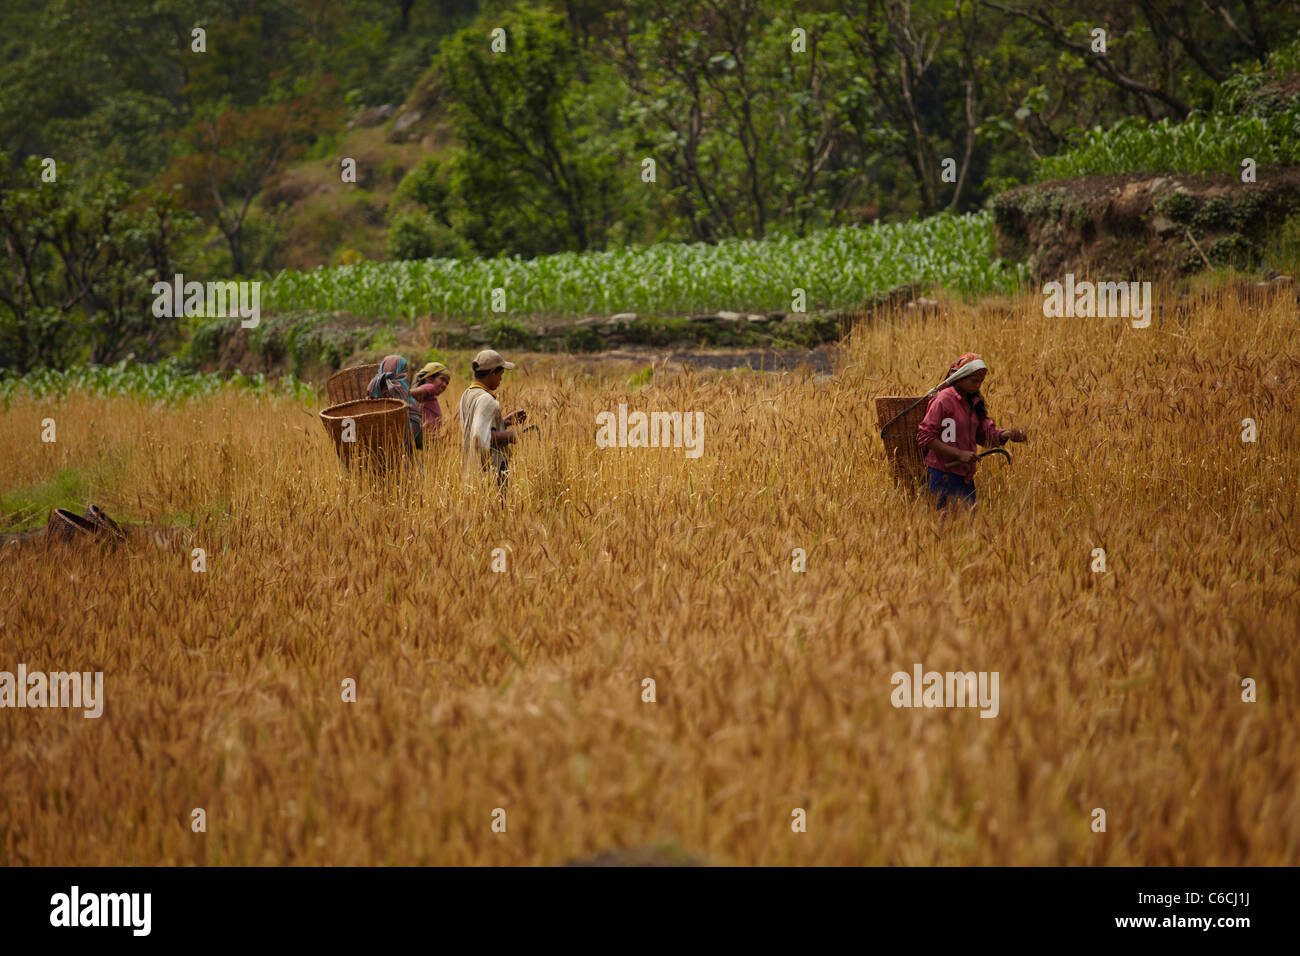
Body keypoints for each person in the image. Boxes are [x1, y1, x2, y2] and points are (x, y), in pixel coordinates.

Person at [916, 352, 1027, 509]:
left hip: (965, 476)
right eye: (974, 381)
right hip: (942, 475)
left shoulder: (973, 403)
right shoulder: (943, 400)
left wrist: (1006, 434)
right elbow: (925, 436)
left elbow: (984, 434)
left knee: (967, 528)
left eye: (980, 381)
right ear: (960, 377)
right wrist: (959, 454)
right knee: (944, 525)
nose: (978, 385)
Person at [459, 349, 528, 489]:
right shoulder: (486, 399)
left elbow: (474, 429)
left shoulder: (467, 394)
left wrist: (504, 422)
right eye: (500, 376)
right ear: (493, 372)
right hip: (491, 469)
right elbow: (480, 436)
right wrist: (510, 435)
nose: (500, 380)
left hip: (471, 467)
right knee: (498, 508)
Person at [367, 354, 423, 450]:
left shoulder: (373, 385)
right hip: (401, 437)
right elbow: (414, 417)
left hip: (377, 437)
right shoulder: (399, 387)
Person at [410, 361, 451, 439]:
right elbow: (407, 394)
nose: (445, 384)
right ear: (429, 377)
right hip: (426, 440)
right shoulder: (430, 387)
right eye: (442, 379)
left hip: (429, 440)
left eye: (447, 383)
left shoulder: (430, 395)